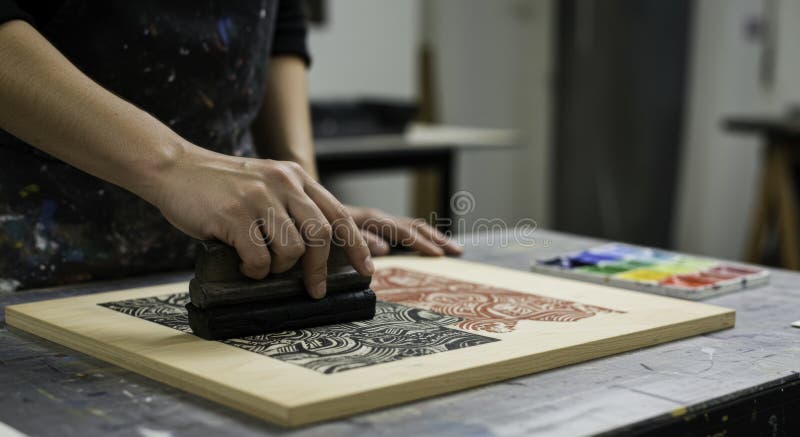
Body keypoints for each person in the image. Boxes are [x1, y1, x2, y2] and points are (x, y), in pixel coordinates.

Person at [0, 1, 461, 296]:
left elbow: (279, 21)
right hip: (30, 262)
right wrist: (173, 166)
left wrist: (308, 202)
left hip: (223, 263)